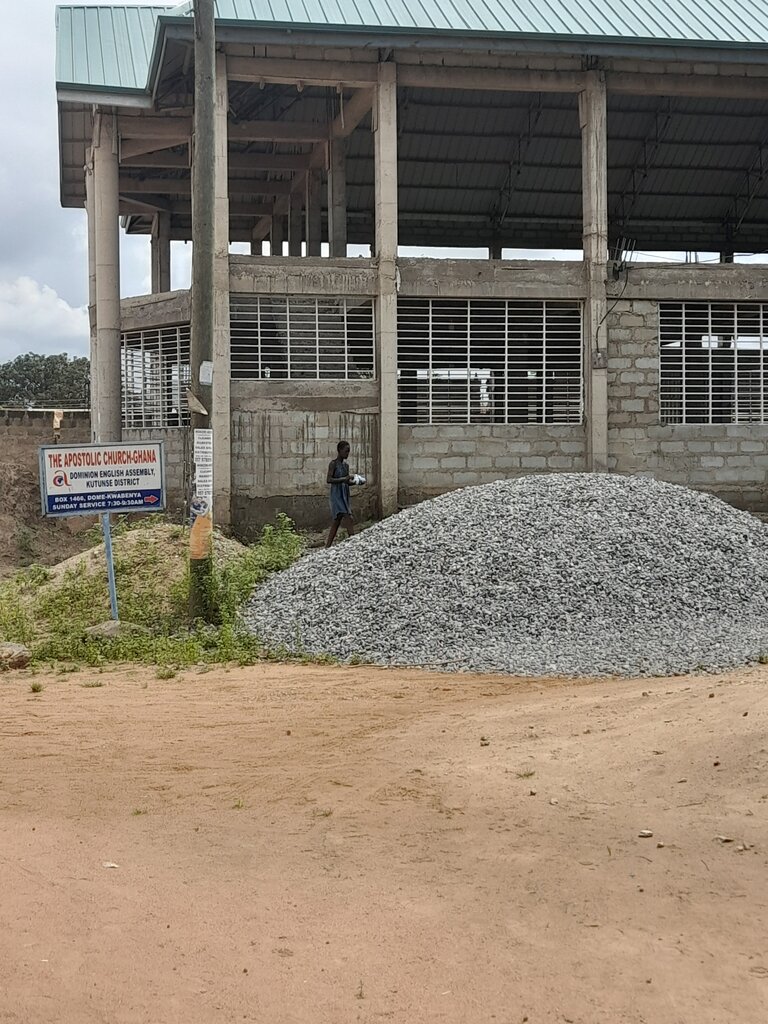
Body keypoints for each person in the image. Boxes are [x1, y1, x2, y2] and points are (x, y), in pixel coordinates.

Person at [326, 440, 356, 547]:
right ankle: (354, 542)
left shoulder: (346, 466)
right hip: (336, 495)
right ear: (339, 451)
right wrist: (344, 479)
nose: (347, 454)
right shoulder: (333, 464)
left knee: (337, 520)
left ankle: (327, 546)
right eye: (346, 451)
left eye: (348, 451)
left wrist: (356, 482)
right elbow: (329, 479)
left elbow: (347, 482)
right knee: (348, 517)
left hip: (344, 494)